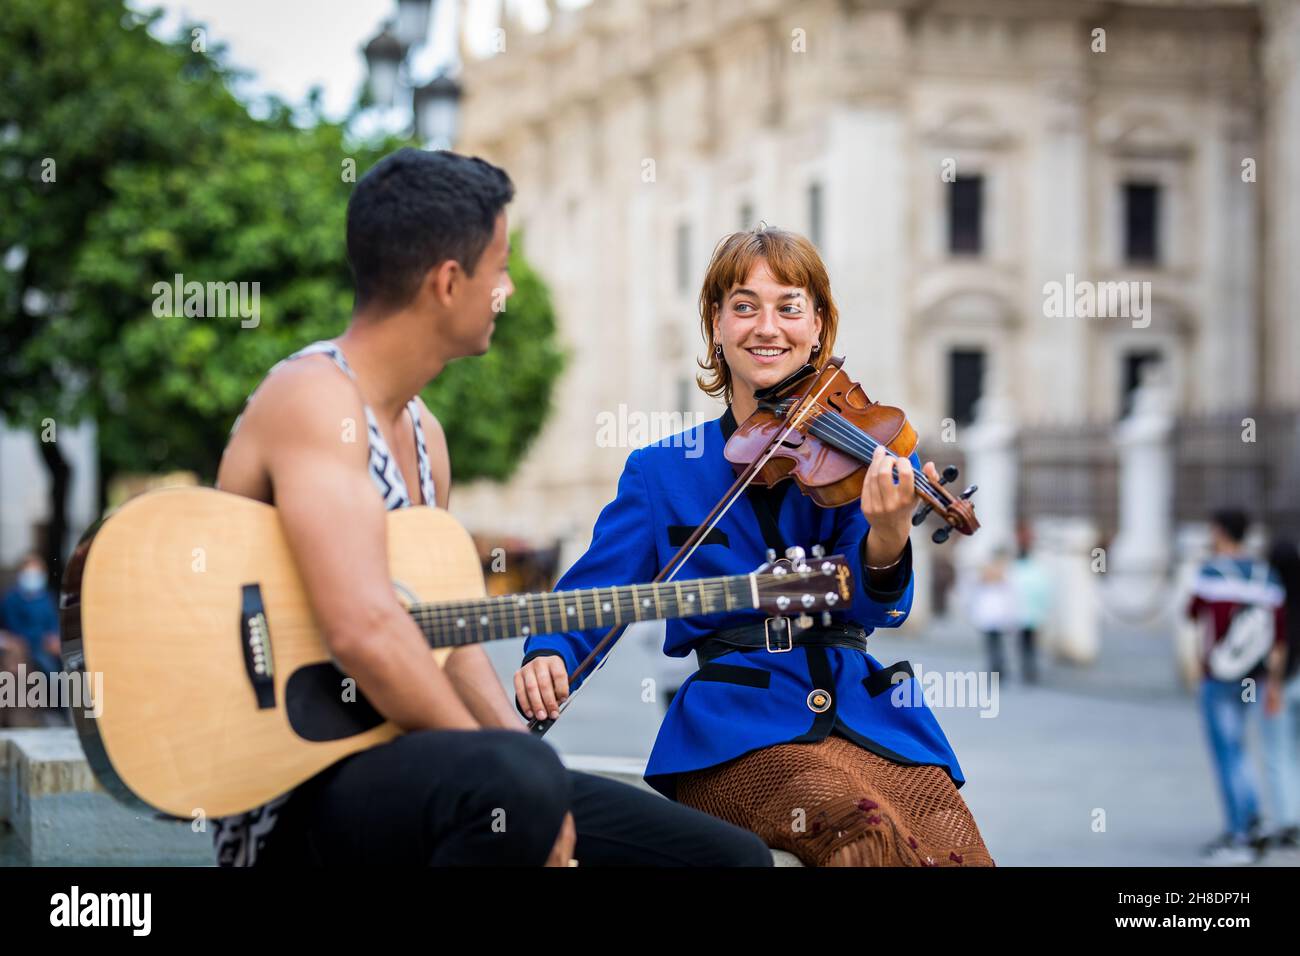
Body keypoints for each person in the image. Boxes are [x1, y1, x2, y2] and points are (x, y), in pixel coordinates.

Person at [211, 148, 770, 868]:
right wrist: (520, 781)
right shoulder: (314, 398)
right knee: (519, 785)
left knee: (726, 861)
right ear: (449, 282)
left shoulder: (424, 438)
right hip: (296, 787)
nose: (507, 289)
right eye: (499, 267)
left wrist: (518, 752)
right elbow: (364, 631)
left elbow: (452, 641)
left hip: (415, 770)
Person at [509, 226, 994, 867]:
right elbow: (599, 587)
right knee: (864, 836)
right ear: (716, 325)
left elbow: (882, 608)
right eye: (744, 306)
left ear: (818, 328)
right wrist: (550, 650)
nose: (768, 327)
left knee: (958, 853)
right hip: (738, 734)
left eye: (790, 307)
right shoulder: (665, 471)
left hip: (872, 722)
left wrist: (889, 532)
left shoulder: (857, 457)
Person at [1186, 509, 1286, 864]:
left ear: (1219, 531)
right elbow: (1278, 636)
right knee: (1241, 747)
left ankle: (1239, 833)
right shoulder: (1267, 575)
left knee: (1225, 752)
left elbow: (1194, 617)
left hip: (1220, 675)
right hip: (1255, 677)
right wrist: (1274, 684)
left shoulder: (1211, 572)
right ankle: (1253, 820)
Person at [1262, 539, 1300, 849]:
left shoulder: (1276, 600)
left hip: (1286, 682)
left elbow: (1278, 647)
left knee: (1279, 752)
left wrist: (1273, 685)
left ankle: (1288, 822)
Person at [1, 553, 61, 676]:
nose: (33, 578)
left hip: (49, 647)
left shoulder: (47, 597)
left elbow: (53, 623)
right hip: (27, 648)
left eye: (37, 573)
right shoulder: (11, 599)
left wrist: (55, 638)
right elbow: (14, 629)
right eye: (29, 573)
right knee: (49, 669)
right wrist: (42, 640)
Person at [966, 550, 1019, 680]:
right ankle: (997, 669)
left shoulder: (999, 583)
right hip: (992, 619)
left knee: (995, 646)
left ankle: (998, 669)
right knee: (995, 645)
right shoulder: (988, 583)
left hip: (995, 618)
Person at [1009, 527, 1053, 683]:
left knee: (1023, 645)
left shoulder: (1015, 571)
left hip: (1021, 615)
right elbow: (1044, 593)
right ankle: (1030, 670)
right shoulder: (1036, 571)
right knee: (1031, 645)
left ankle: (1027, 669)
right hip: (1033, 615)